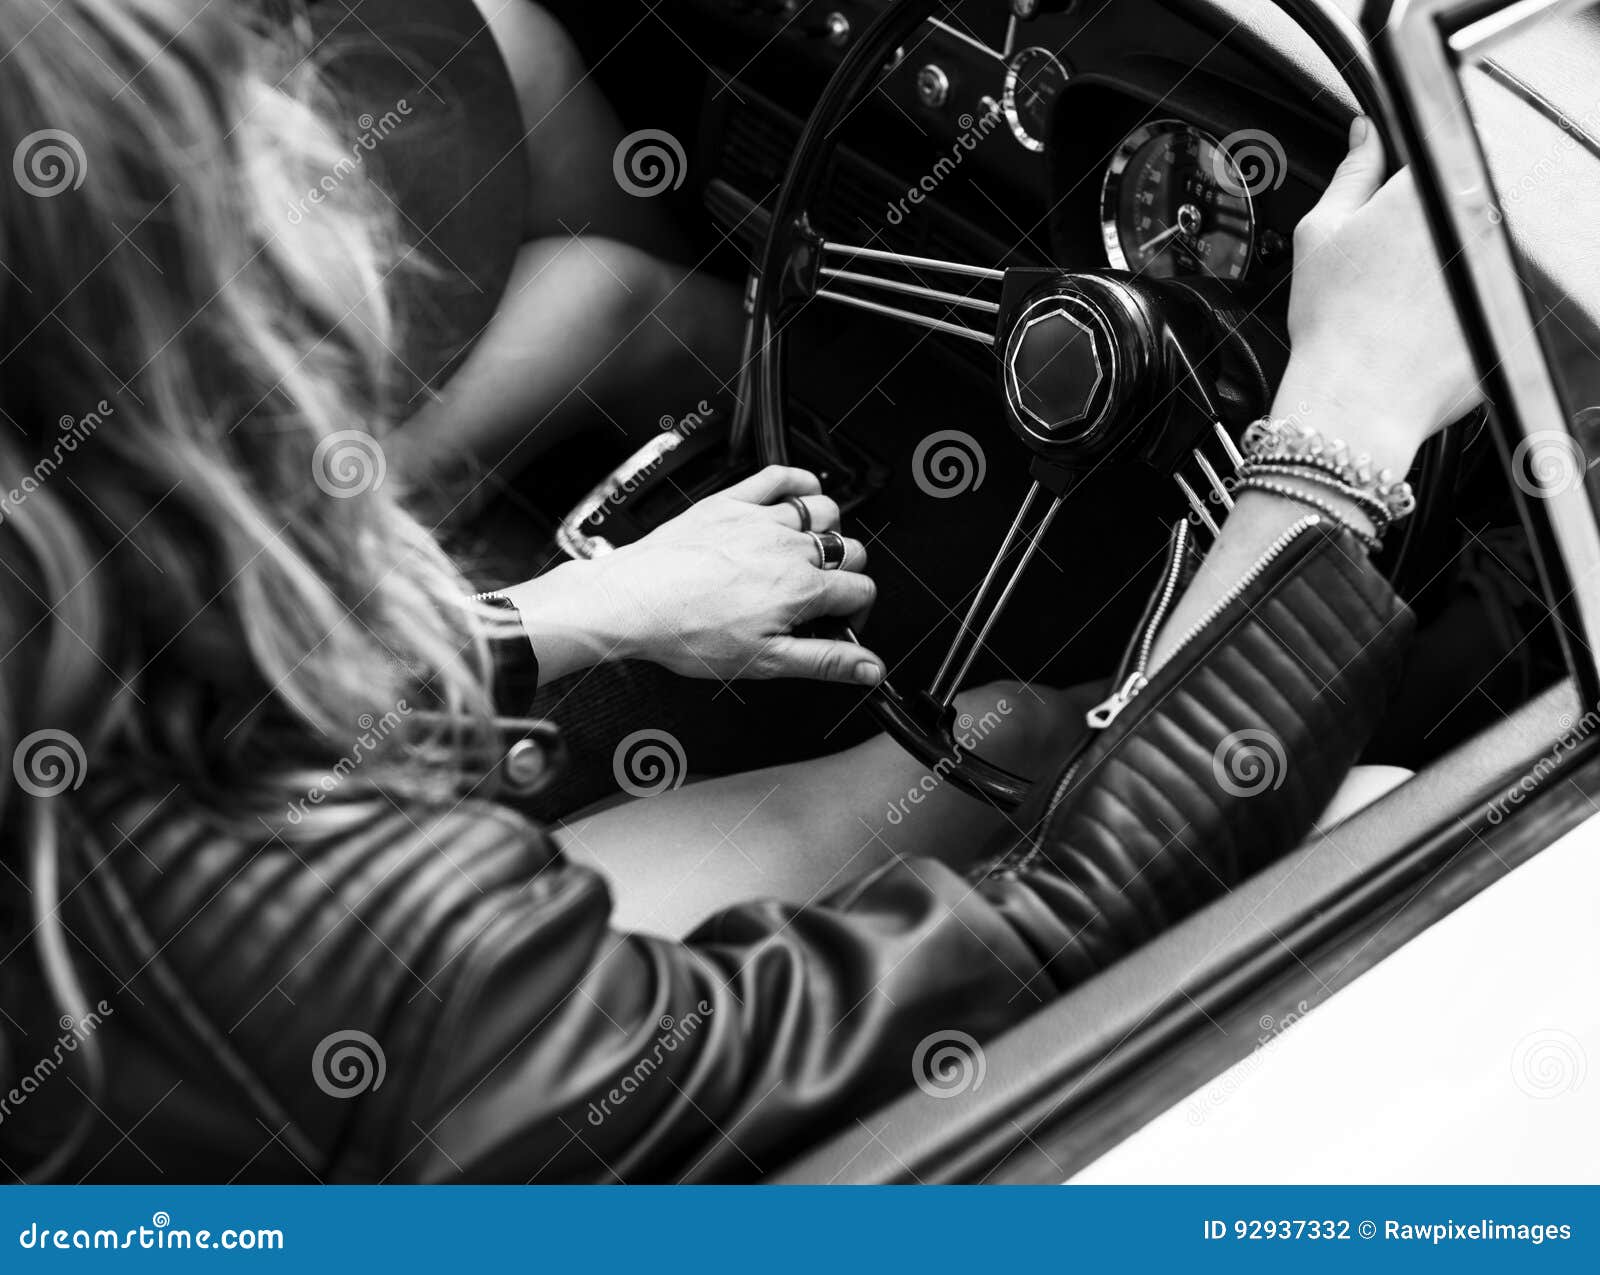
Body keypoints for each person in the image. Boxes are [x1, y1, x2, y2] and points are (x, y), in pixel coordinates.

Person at [0, 0, 1477, 1182]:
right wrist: (1342, 420)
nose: (318, 135)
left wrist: (573, 616)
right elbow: (1038, 962)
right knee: (1361, 806)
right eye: (251, 111)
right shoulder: (360, 952)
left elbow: (168, 681)